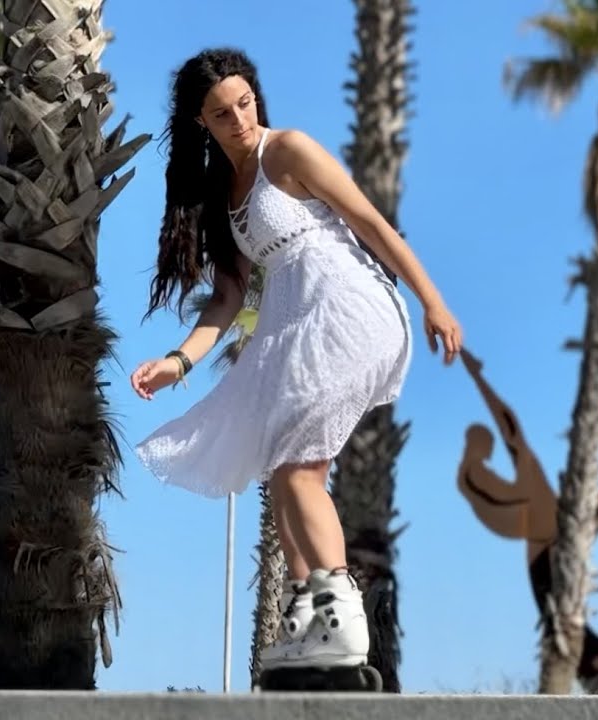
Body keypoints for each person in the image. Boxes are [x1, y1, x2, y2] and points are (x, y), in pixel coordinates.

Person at [129, 48, 462, 672]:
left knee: (300, 471)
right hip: (291, 323)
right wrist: (179, 361)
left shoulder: (287, 151)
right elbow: (227, 298)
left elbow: (371, 222)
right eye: (222, 113)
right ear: (201, 121)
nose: (240, 120)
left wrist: (433, 302)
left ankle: (342, 617)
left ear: (255, 96)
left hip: (344, 308)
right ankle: (310, 617)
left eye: (245, 103)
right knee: (284, 471)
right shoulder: (222, 193)